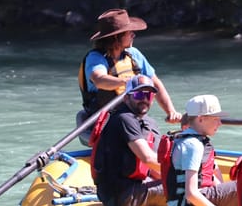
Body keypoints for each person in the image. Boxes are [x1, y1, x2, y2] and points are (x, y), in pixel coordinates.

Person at [76, 8, 181, 145]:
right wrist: (129, 82)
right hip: (106, 121)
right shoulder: (96, 58)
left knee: (152, 128)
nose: (133, 35)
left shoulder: (134, 54)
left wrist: (171, 111)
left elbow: (155, 84)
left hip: (134, 117)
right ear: (116, 37)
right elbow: (99, 79)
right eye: (129, 32)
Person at [93, 74, 168, 206]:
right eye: (139, 95)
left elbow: (154, 165)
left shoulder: (147, 123)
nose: (144, 99)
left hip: (128, 189)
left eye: (149, 96)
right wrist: (180, 175)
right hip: (120, 195)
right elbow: (148, 159)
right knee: (182, 191)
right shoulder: (124, 118)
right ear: (126, 97)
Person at [166, 95, 238, 206]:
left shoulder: (194, 141)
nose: (220, 123)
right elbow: (191, 193)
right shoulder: (193, 145)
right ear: (200, 119)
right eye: (215, 118)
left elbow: (210, 176)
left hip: (188, 204)